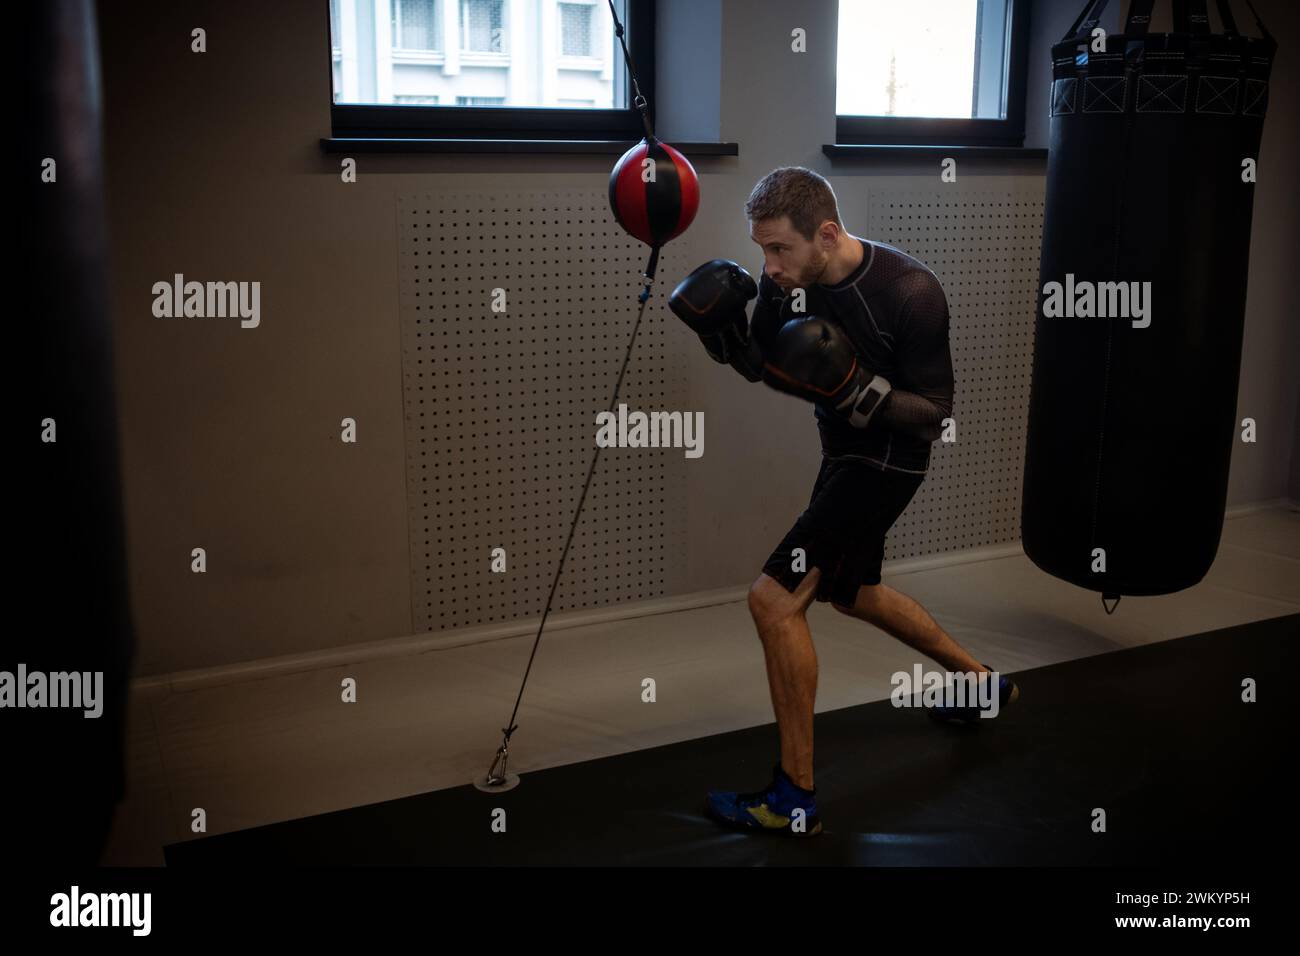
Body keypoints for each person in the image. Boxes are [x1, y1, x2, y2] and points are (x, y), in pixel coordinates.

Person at [669, 167, 1019, 837]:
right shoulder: (787, 288)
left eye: (781, 249)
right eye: (761, 249)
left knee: (774, 600)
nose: (768, 267)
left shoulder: (909, 291)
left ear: (826, 234)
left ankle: (792, 799)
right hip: (843, 456)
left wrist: (856, 386)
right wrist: (723, 338)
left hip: (888, 462)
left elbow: (934, 415)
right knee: (853, 592)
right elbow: (773, 367)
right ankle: (981, 684)